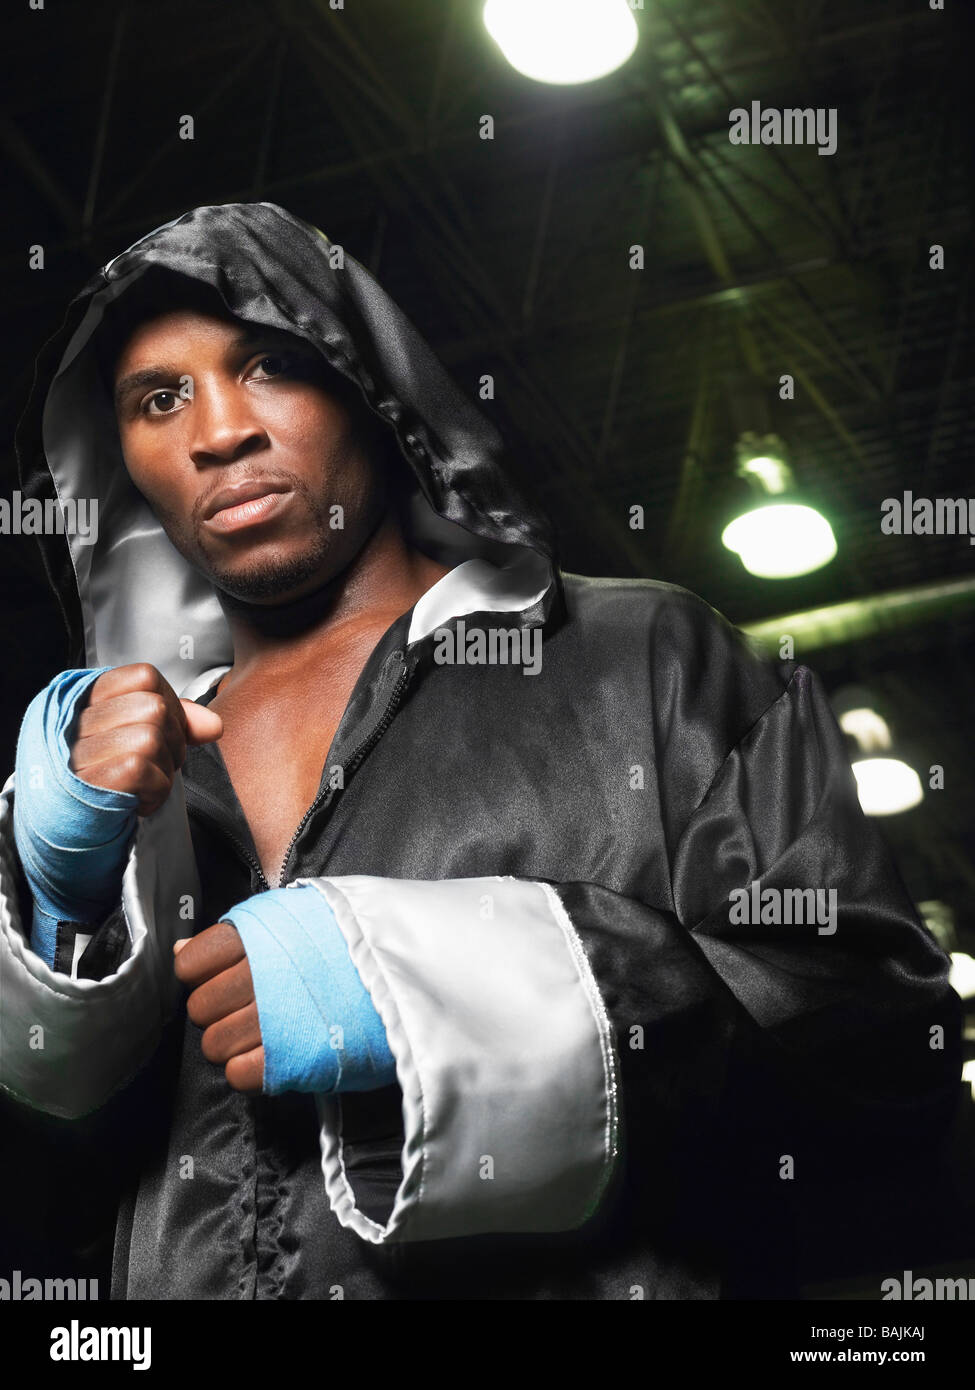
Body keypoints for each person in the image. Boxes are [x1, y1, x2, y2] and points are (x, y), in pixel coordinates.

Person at [0, 201, 961, 1300]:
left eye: (269, 363)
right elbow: (64, 1216)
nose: (218, 431)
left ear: (368, 383)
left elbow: (884, 1050)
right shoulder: (116, 779)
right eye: (158, 399)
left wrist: (426, 992)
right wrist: (61, 923)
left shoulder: (642, 656)